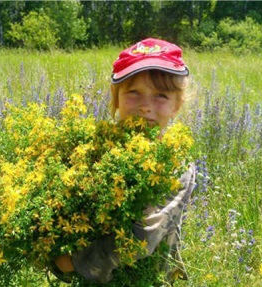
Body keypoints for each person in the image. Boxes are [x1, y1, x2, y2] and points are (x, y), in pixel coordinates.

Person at [49, 38, 197, 285]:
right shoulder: (97, 148)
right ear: (115, 97)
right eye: (133, 93)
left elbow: (140, 240)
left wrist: (72, 262)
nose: (145, 107)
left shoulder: (175, 164)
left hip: (148, 277)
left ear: (177, 105)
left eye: (161, 95)